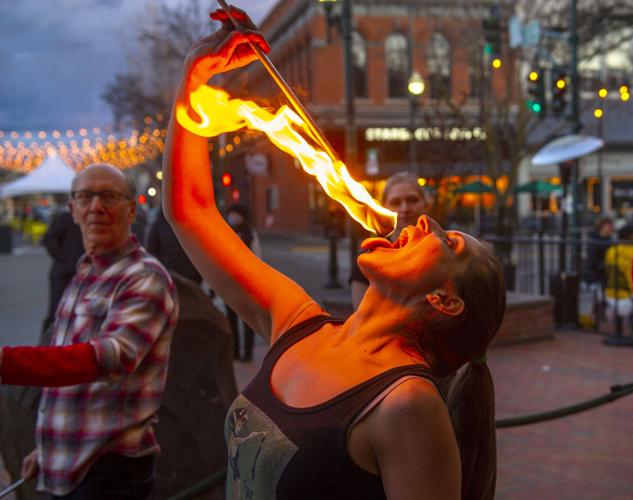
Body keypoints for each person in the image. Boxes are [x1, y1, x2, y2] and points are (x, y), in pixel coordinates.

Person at [162, 7, 505, 499]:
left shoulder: (406, 403)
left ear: (446, 301)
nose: (426, 221)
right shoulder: (298, 322)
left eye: (448, 242)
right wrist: (192, 80)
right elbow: (191, 210)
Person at [0, 163, 178, 499]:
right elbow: (75, 388)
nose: (96, 206)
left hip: (111, 473)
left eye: (109, 196)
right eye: (86, 196)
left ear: (131, 209)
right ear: (73, 210)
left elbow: (106, 358)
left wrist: (7, 362)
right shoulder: (85, 270)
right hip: (74, 464)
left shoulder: (145, 277)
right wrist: (49, 451)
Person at [350, 172, 428, 307]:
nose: (405, 208)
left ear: (425, 204)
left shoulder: (445, 250)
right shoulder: (368, 258)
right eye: (396, 202)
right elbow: (361, 315)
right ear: (384, 207)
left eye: (412, 200)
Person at [224, 203, 262, 361]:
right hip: (229, 282)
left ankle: (247, 352)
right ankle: (234, 352)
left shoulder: (250, 235)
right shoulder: (225, 233)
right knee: (231, 319)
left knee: (248, 320)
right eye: (231, 213)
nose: (232, 217)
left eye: (235, 213)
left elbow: (257, 258)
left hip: (246, 283)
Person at [41, 208, 85, 333]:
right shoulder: (65, 218)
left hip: (81, 272)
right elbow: (49, 239)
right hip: (63, 273)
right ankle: (49, 343)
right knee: (56, 310)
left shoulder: (91, 219)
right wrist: (63, 258)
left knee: (81, 312)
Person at [146, 205, 204, 284]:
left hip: (190, 278)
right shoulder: (159, 224)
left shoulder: (192, 222)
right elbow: (151, 251)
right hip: (170, 277)